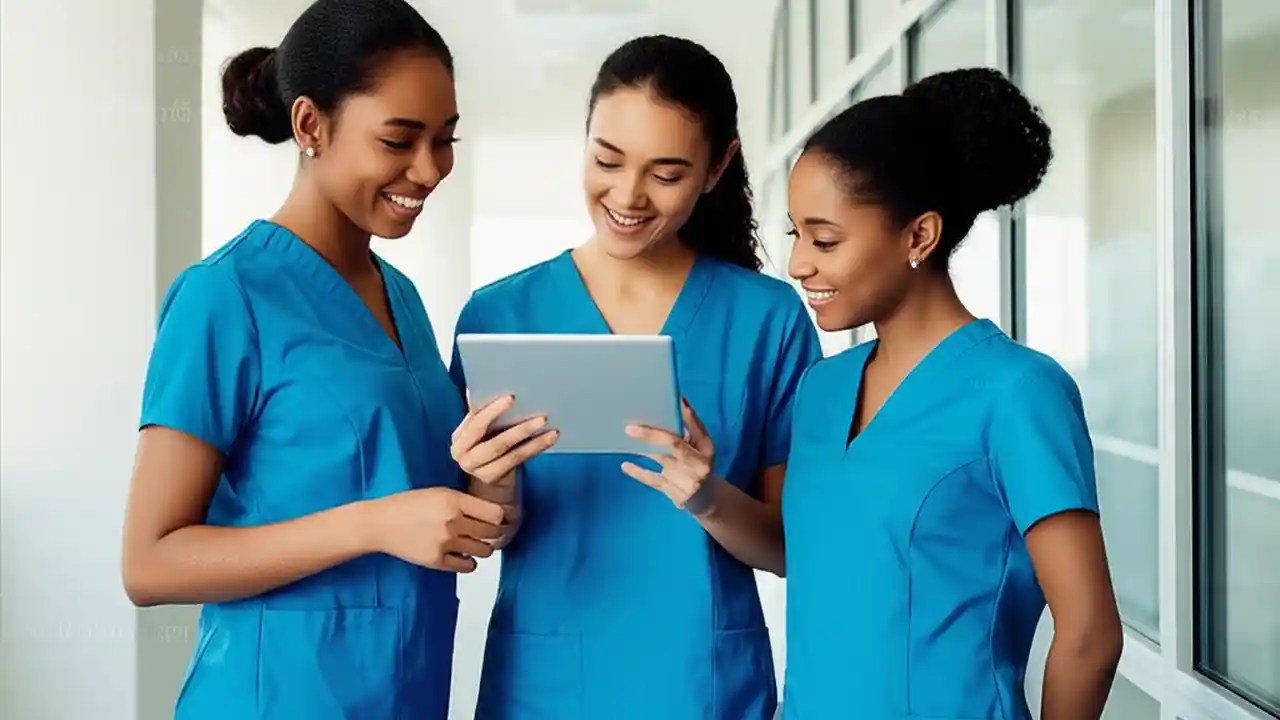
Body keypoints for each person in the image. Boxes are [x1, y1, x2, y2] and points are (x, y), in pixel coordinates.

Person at [120, 1, 553, 717]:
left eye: (445, 139)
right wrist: (372, 524)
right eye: (398, 139)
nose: (429, 169)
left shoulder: (403, 298)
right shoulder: (224, 297)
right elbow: (149, 562)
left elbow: (439, 521)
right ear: (310, 125)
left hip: (404, 694)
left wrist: (493, 492)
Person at [447, 35, 823, 720]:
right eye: (606, 159)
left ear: (718, 168)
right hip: (545, 680)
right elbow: (476, 536)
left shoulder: (768, 320)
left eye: (667, 173)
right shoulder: (500, 315)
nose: (627, 194)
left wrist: (710, 497)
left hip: (701, 683)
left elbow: (791, 549)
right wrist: (490, 480)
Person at [780, 67, 1124, 719]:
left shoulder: (1018, 393)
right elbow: (827, 560)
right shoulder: (820, 391)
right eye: (796, 233)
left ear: (919, 235)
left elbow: (1090, 635)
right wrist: (706, 492)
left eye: (824, 239)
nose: (799, 263)